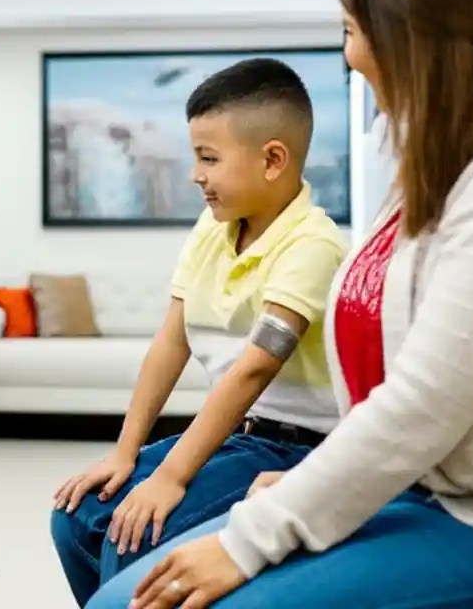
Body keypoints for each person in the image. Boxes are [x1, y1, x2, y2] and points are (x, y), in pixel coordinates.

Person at [88, 0, 473, 607]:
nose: (350, 58)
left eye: (356, 30)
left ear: (417, 32)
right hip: (424, 498)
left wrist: (248, 538)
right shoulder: (430, 176)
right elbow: (390, 386)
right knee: (118, 597)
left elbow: (421, 404)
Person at [50, 58, 349, 606]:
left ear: (272, 160)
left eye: (208, 158)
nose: (195, 174)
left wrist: (169, 477)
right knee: (75, 518)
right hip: (248, 438)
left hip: (303, 454)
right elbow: (172, 341)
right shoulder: (212, 230)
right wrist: (126, 452)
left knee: (138, 536)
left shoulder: (314, 244)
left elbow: (255, 367)